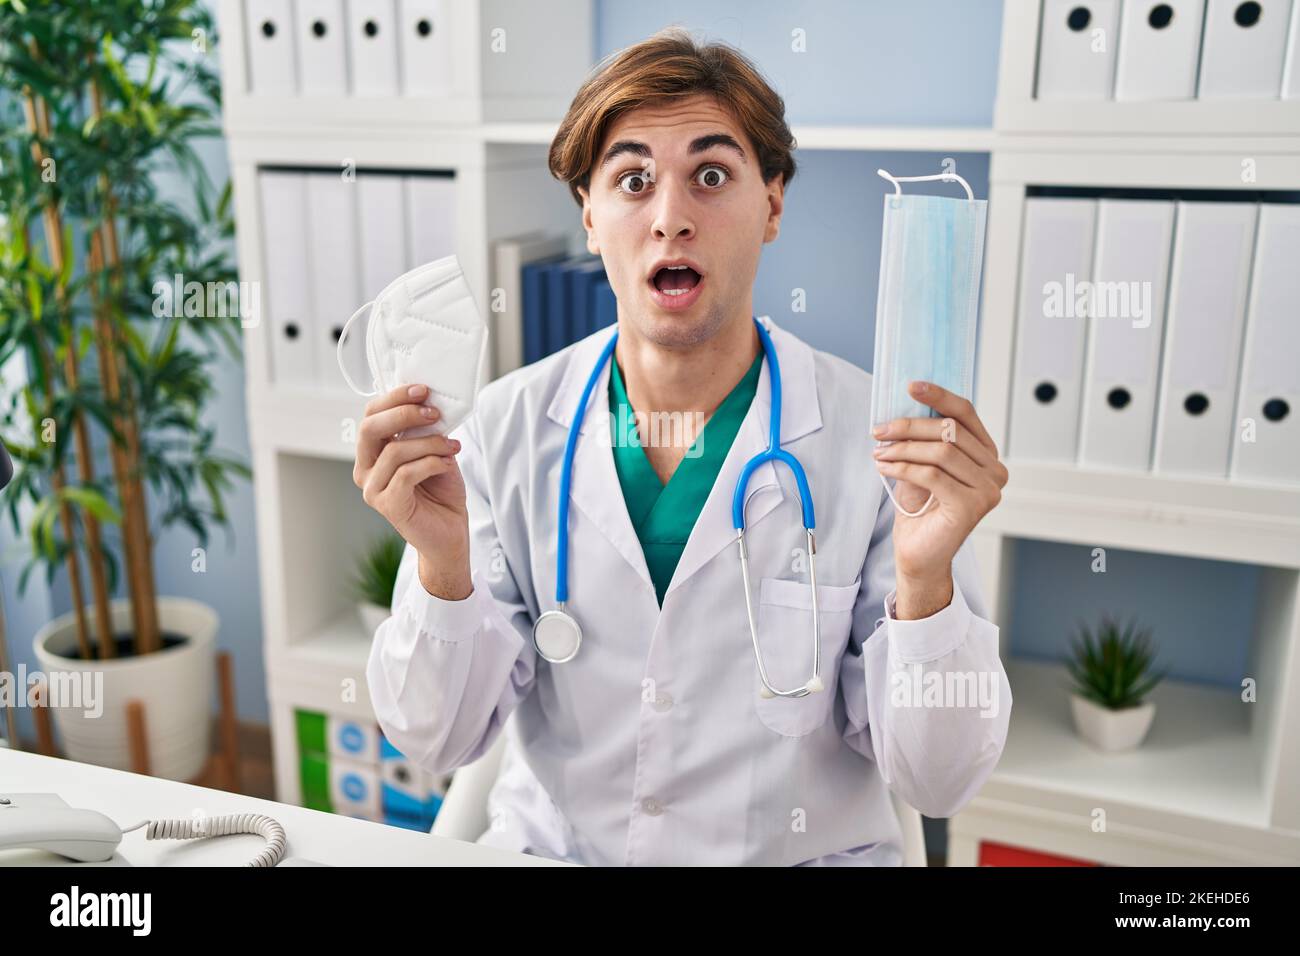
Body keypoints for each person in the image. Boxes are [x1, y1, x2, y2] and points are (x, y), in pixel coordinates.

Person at [355, 28, 1011, 866]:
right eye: (633, 180)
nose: (670, 217)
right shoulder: (504, 428)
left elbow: (939, 782)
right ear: (590, 218)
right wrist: (442, 570)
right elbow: (435, 740)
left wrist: (926, 584)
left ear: (772, 205)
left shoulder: (880, 445)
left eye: (711, 175)